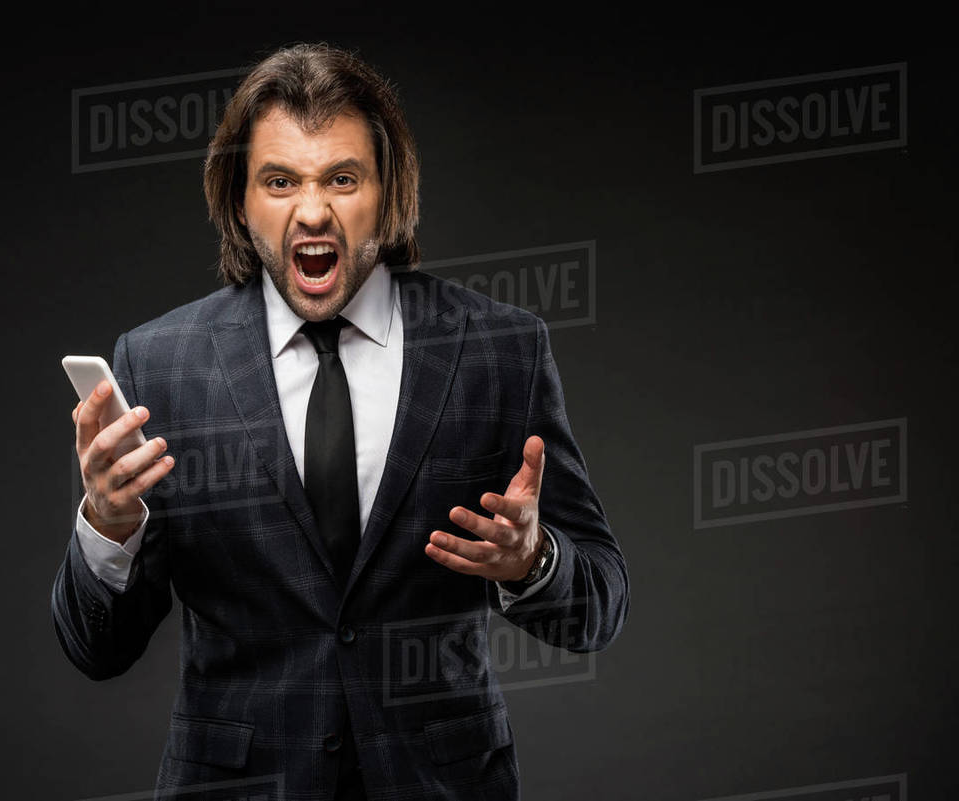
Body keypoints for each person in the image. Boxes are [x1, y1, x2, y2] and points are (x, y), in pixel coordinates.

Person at [52, 42, 629, 801]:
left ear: (388, 196)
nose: (313, 210)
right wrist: (108, 525)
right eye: (280, 180)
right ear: (238, 201)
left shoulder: (498, 350)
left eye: (343, 178)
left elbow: (601, 602)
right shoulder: (160, 366)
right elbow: (96, 649)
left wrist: (532, 561)